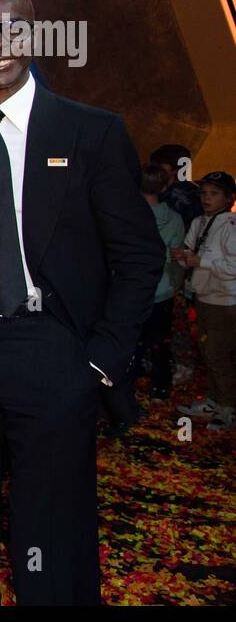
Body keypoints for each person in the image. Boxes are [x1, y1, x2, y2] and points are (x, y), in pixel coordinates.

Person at [0, 0, 160, 605]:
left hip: (56, 355)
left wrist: (99, 361)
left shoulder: (91, 132)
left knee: (52, 530)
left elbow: (139, 255)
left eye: (13, 30)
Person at [172, 171, 236, 431]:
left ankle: (228, 407)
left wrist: (201, 262)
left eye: (214, 194)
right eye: (204, 193)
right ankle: (214, 399)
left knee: (219, 353)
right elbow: (191, 251)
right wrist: (181, 256)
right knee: (209, 351)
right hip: (204, 296)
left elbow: (233, 266)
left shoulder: (230, 225)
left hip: (224, 299)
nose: (207, 198)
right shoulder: (200, 222)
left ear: (228, 198)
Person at [123, 163, 185, 406]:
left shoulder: (128, 216)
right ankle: (160, 386)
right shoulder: (175, 219)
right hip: (163, 288)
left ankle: (125, 386)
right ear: (165, 185)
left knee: (129, 340)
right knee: (160, 341)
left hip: (132, 288)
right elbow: (177, 254)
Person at [151, 143, 204, 228]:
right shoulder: (151, 185)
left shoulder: (191, 195)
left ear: (176, 169)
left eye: (160, 166)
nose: (155, 170)